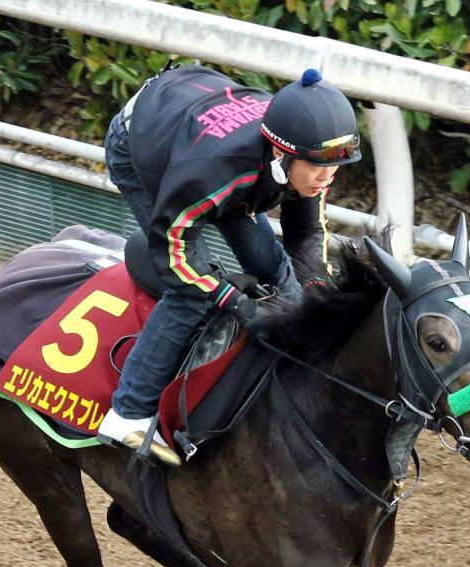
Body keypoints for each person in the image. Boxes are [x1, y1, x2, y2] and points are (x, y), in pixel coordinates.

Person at [97, 63, 362, 465]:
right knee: (191, 293)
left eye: (335, 167)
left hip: (220, 146)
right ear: (281, 153)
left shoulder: (306, 158)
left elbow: (306, 238)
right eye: (318, 166)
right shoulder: (214, 172)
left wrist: (315, 305)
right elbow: (175, 251)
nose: (326, 178)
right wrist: (232, 300)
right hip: (147, 148)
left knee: (276, 271)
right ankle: (128, 411)